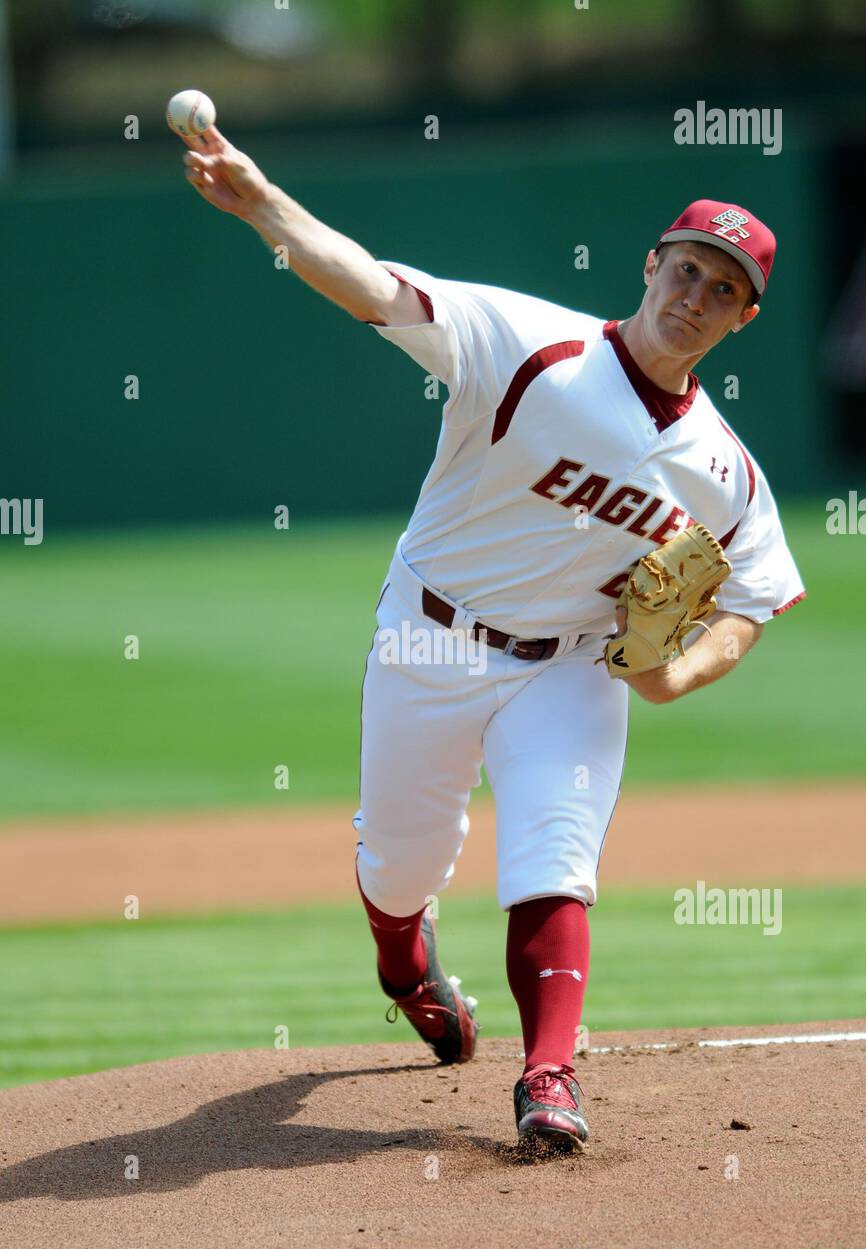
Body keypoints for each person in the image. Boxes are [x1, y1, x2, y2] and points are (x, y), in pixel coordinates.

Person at [179, 126, 805, 1154]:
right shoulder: (528, 342)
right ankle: (401, 957)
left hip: (567, 665)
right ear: (650, 267)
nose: (695, 293)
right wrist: (259, 203)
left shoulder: (724, 474)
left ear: (741, 317)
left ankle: (546, 1076)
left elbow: (749, 600)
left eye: (722, 288)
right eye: (685, 267)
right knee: (399, 861)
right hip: (427, 638)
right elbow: (372, 288)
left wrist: (668, 671)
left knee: (552, 862)